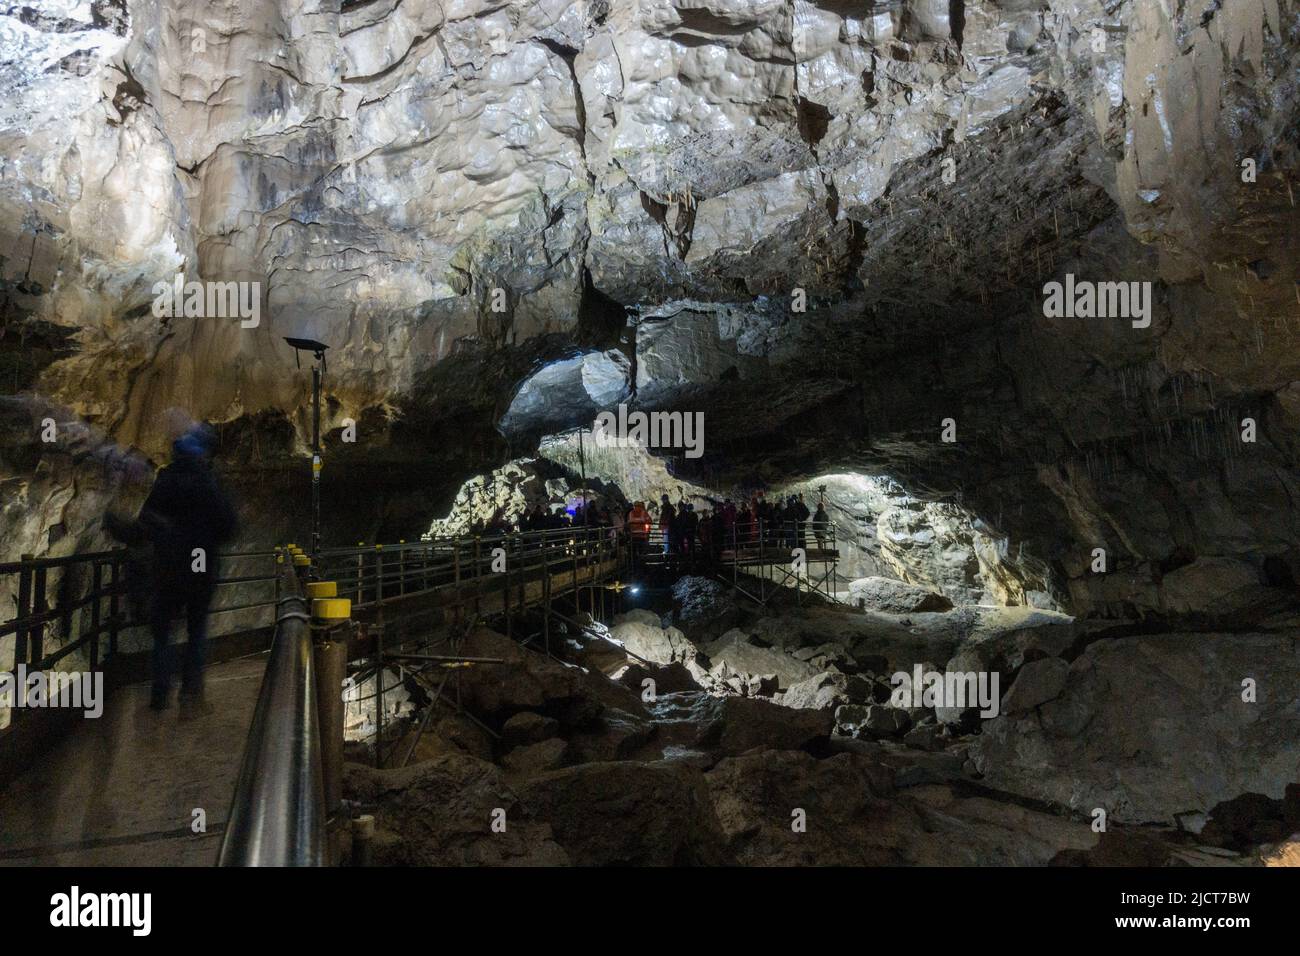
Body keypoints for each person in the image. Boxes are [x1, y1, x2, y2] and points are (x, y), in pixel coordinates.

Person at [137, 426, 237, 712]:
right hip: (199, 567)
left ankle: (159, 696)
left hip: (167, 567)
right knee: (195, 632)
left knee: (163, 633)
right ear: (202, 454)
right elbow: (228, 526)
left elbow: (147, 519)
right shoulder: (208, 483)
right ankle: (191, 697)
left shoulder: (164, 480)